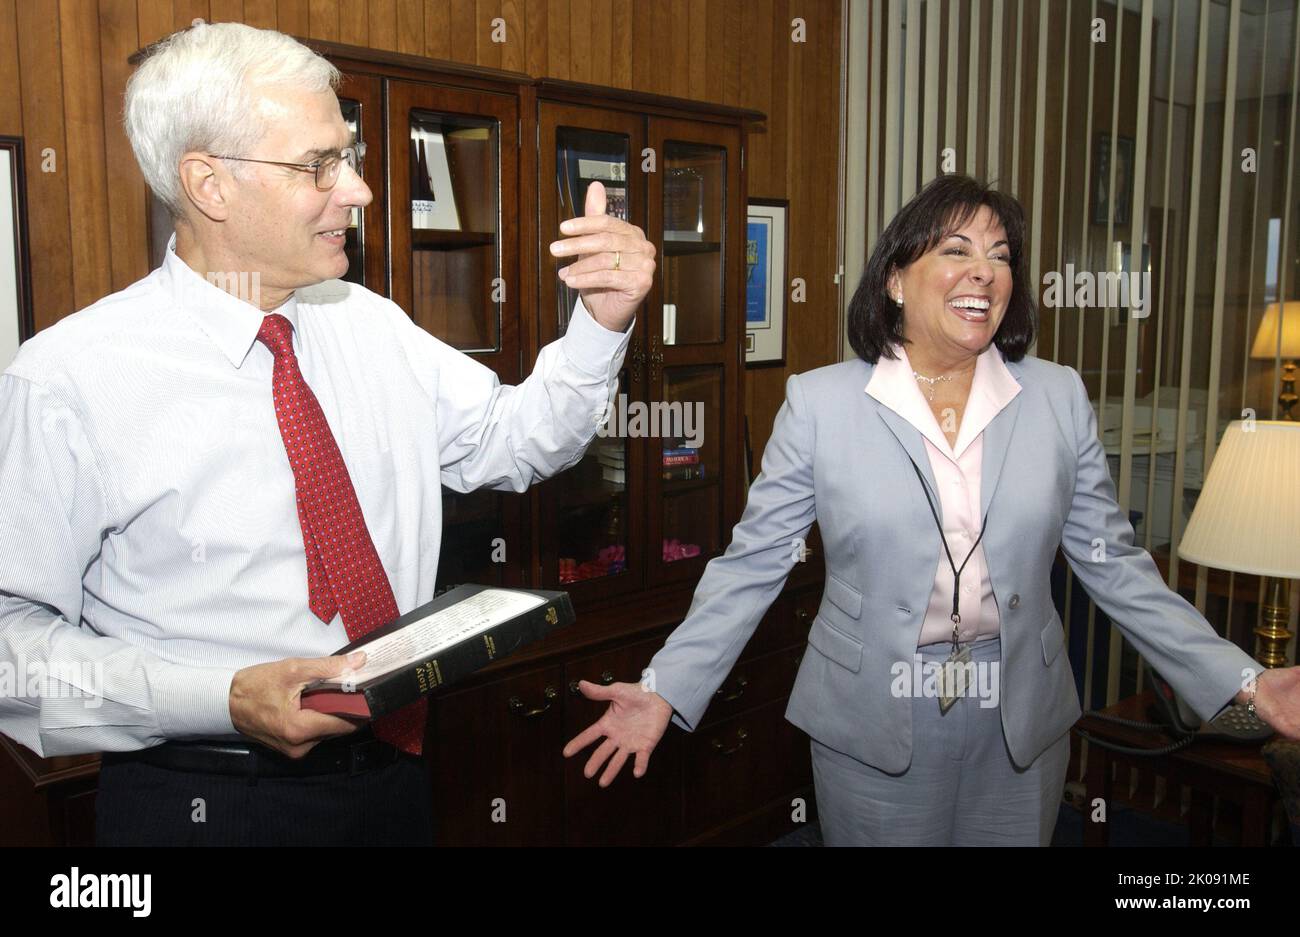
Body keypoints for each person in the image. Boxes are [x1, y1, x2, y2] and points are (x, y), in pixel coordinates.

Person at [0, 22, 654, 846]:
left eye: (349, 157)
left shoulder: (369, 325)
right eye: (318, 165)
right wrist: (224, 697)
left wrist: (600, 323)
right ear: (209, 183)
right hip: (202, 804)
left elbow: (518, 440)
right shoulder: (67, 380)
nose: (360, 191)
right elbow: (12, 653)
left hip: (393, 776)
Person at [565, 173, 1300, 846]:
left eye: (1001, 255)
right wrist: (666, 686)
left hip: (1021, 710)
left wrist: (1245, 680)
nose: (985, 270)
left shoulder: (1057, 397)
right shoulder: (821, 405)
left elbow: (1115, 565)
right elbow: (753, 564)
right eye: (957, 249)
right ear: (895, 278)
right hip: (872, 710)